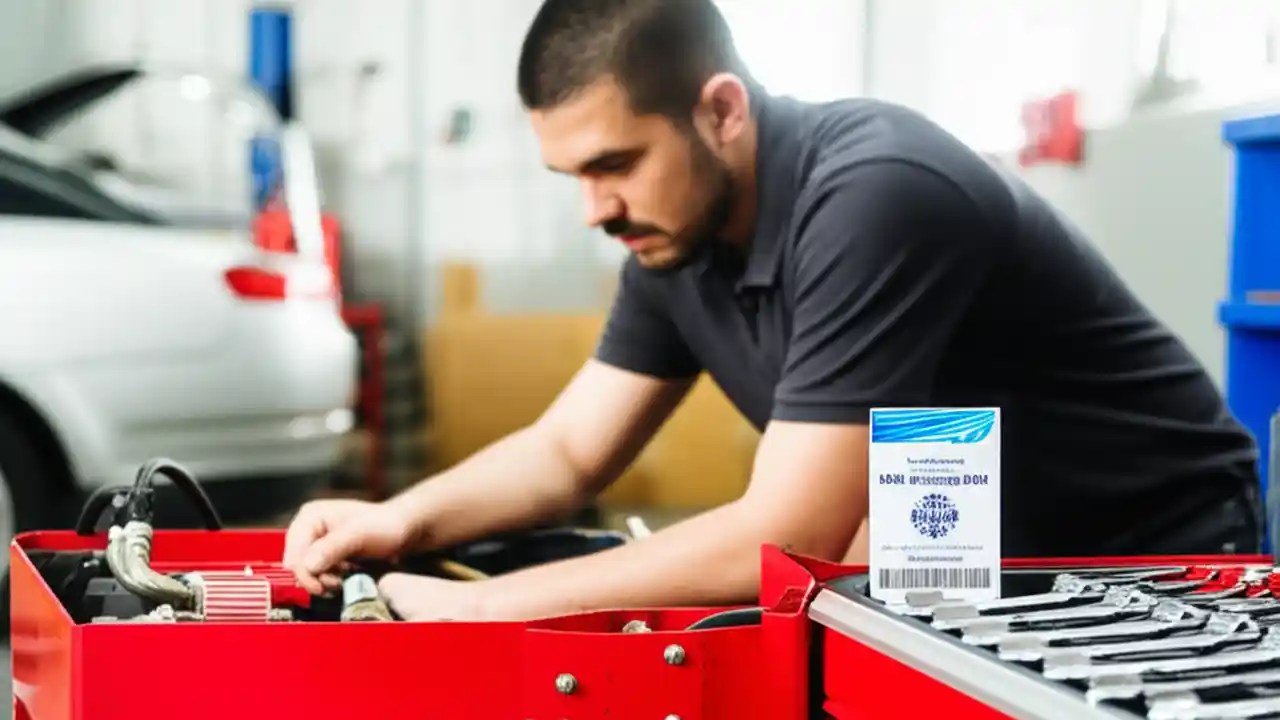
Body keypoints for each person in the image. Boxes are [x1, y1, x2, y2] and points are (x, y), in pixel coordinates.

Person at [283, 0, 1263, 621]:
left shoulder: (876, 191)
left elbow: (787, 530)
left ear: (721, 110)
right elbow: (567, 455)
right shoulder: (674, 239)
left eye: (613, 165)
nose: (595, 210)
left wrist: (488, 609)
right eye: (571, 176)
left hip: (1152, 564)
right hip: (963, 561)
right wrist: (396, 520)